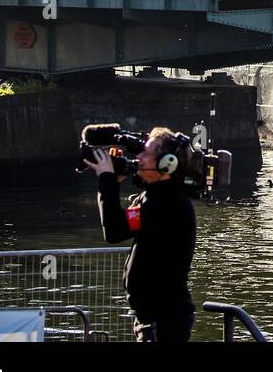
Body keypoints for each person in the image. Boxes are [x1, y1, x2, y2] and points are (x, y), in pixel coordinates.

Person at [84, 128, 197, 343]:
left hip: (165, 320)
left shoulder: (168, 203)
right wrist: (112, 182)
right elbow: (118, 227)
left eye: (145, 154)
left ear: (167, 164)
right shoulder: (154, 198)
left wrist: (107, 180)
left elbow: (114, 231)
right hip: (153, 318)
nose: (138, 158)